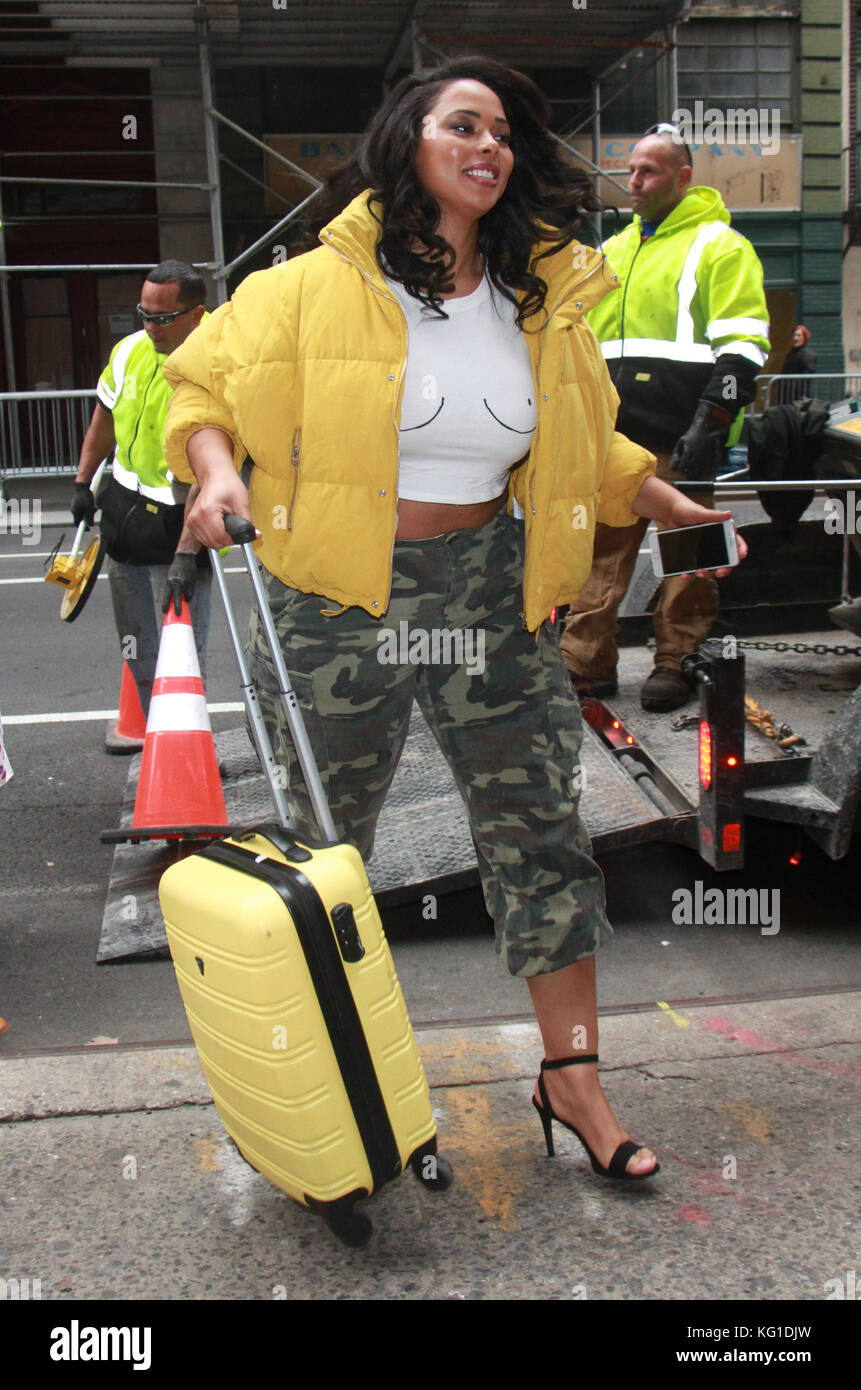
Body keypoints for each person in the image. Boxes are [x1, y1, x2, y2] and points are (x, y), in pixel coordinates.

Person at [162, 58, 746, 1182]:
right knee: (329, 853)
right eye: (462, 125)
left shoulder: (540, 296)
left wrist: (654, 489)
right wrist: (215, 473)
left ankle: (572, 1078)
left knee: (540, 831)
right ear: (409, 141)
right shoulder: (307, 286)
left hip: (494, 584)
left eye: (504, 133)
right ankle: (333, 1090)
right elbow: (202, 388)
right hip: (339, 597)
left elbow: (580, 431)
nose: (491, 146)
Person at [560, 125, 769, 712]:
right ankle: (585, 661)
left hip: (685, 434)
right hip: (616, 439)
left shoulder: (719, 245)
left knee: (690, 559)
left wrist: (714, 416)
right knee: (598, 555)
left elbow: (745, 342)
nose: (634, 181)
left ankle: (677, 661)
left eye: (649, 171)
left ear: (683, 177)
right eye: (631, 170)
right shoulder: (615, 251)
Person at [71, 260, 212, 719]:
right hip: (124, 512)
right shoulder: (130, 349)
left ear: (196, 314)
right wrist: (82, 483)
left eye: (163, 318)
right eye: (144, 314)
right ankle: (155, 737)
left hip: (178, 522)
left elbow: (213, 468)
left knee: (182, 654)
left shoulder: (216, 362)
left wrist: (187, 553)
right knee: (137, 648)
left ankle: (188, 749)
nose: (151, 326)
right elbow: (105, 415)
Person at [779, 325, 817, 402]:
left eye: (798, 335)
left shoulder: (807, 354)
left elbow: (808, 374)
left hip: (798, 395)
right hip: (787, 393)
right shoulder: (791, 353)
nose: (795, 338)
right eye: (794, 335)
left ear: (804, 338)